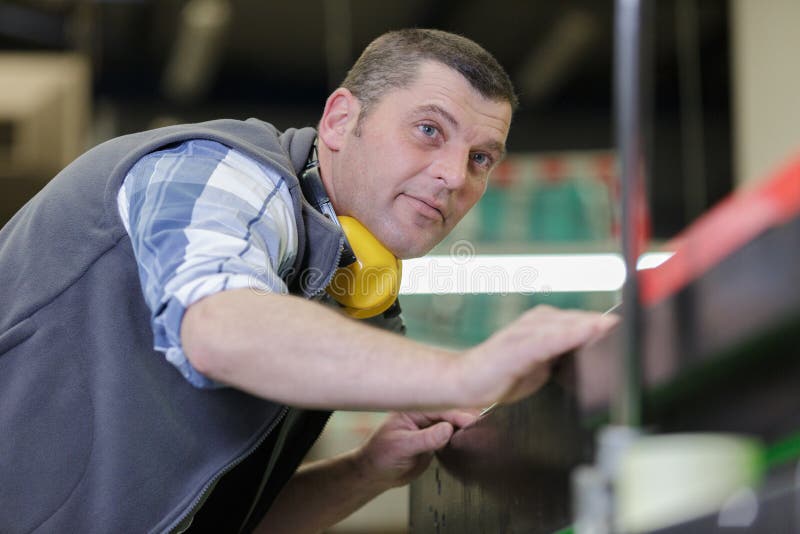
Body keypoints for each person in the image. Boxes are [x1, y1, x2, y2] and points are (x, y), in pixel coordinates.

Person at [0, 29, 616, 533]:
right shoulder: (218, 170)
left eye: (481, 158)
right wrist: (466, 371)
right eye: (429, 130)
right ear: (341, 121)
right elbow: (218, 327)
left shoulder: (340, 294)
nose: (455, 176)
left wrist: (364, 470)